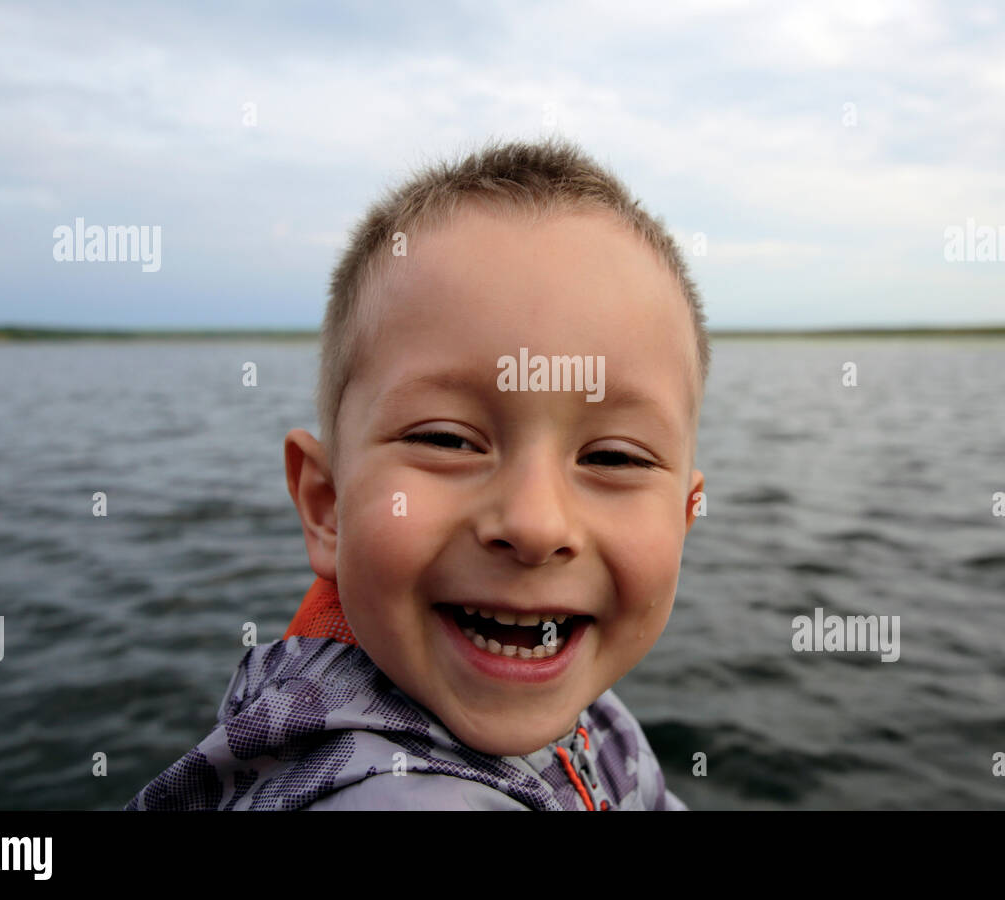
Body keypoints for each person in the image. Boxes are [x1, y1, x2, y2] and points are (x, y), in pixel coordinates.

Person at [126, 136, 710, 809]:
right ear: (327, 506)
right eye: (448, 441)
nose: (535, 523)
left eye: (613, 458)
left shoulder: (599, 720)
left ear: (685, 516)